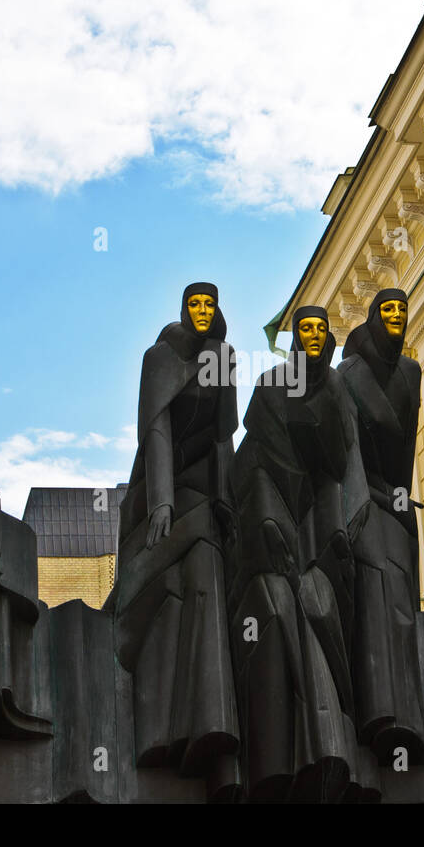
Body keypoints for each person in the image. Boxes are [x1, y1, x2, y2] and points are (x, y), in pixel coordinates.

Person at [228, 305, 370, 801]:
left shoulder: (335, 390)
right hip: (266, 518)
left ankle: (330, 740)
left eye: (319, 329)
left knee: (319, 600)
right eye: (304, 329)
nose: (312, 336)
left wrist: (336, 531)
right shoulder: (270, 387)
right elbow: (255, 460)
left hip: (315, 522)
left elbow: (340, 464)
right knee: (276, 605)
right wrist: (266, 519)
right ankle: (282, 756)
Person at [109, 282, 240, 793]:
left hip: (204, 488)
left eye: (210, 304)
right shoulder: (160, 357)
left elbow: (224, 436)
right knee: (173, 575)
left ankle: (211, 722)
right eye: (196, 305)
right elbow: (157, 430)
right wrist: (161, 500)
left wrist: (226, 497)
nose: (203, 312)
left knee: (206, 568)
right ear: (185, 310)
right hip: (160, 492)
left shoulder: (223, 357)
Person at [336, 288, 424, 765]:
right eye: (387, 310)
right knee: (379, 595)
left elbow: (406, 449)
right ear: (373, 318)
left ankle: (410, 713)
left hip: (393, 502)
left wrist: (399, 500)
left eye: (401, 310)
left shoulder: (411, 373)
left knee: (404, 604)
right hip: (362, 504)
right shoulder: (347, 375)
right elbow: (347, 450)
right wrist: (357, 509)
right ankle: (381, 712)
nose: (397, 316)